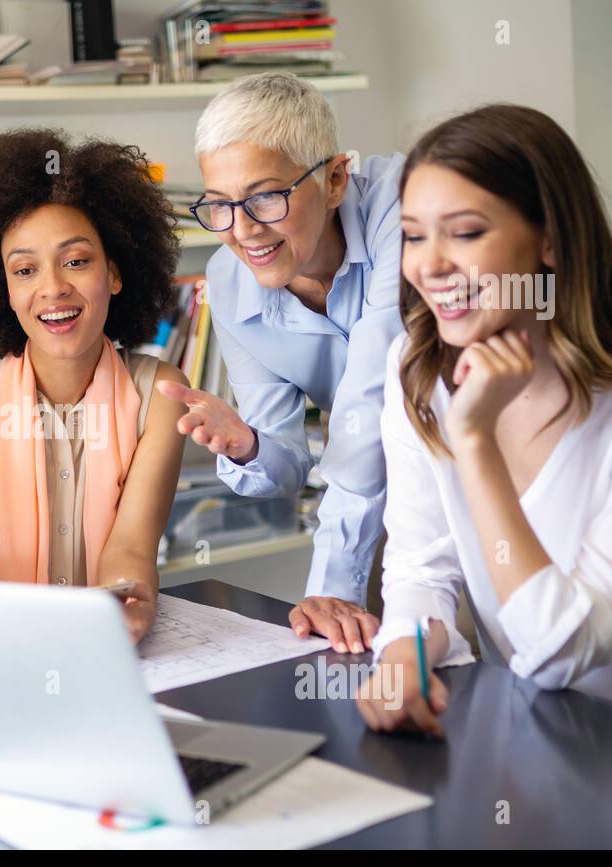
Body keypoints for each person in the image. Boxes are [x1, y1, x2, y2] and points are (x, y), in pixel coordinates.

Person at [358, 104, 612, 735]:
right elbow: (421, 567)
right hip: (531, 746)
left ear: (549, 238)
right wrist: (404, 658)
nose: (429, 265)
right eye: (413, 234)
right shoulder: (417, 364)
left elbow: (562, 648)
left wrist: (475, 439)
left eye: (464, 233)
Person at [159, 73, 405, 655]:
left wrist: (331, 587)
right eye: (218, 205)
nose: (242, 231)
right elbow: (288, 466)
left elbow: (370, 406)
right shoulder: (229, 282)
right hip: (390, 500)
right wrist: (247, 443)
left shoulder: (403, 210)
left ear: (336, 178)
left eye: (266, 196)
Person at [0, 129, 189, 641]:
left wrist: (125, 610)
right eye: (24, 269)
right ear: (5, 289)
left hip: (102, 652)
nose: (53, 288)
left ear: (115, 271)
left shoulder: (160, 396)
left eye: (76, 260)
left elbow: (130, 549)